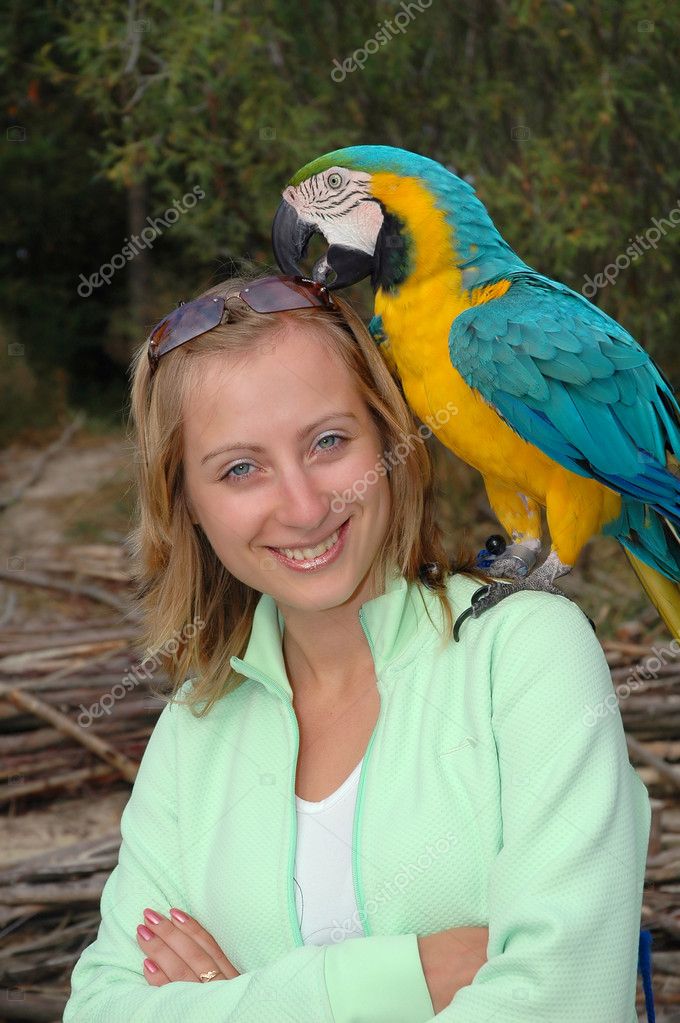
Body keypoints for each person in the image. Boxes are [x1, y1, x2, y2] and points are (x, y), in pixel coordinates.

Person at [63, 270, 652, 1023]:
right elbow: (99, 1010)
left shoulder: (526, 656)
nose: (304, 507)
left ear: (392, 437)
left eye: (329, 441)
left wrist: (227, 999)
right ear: (187, 505)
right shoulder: (195, 727)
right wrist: (400, 978)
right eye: (240, 468)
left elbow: (565, 1001)